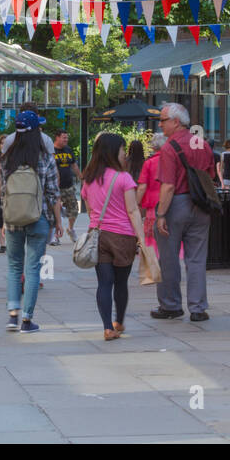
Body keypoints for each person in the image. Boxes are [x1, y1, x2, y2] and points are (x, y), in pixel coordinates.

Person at [151, 102, 216, 322]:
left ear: (176, 122)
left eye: (163, 120)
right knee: (197, 259)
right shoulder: (202, 143)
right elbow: (210, 176)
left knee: (168, 258)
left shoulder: (169, 147)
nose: (160, 125)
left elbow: (168, 186)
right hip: (201, 205)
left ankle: (170, 306)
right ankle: (198, 308)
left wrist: (160, 215)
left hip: (175, 205)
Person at [80, 133, 147, 341]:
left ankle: (107, 327)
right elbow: (133, 210)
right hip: (122, 236)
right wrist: (141, 238)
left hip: (98, 235)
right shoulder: (123, 178)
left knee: (104, 283)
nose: (124, 155)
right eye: (121, 150)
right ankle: (119, 321)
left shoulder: (88, 179)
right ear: (112, 152)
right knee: (121, 283)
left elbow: (90, 209)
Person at [1, 110, 61, 333]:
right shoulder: (45, 157)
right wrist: (58, 221)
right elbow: (54, 192)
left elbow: (3, 190)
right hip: (39, 217)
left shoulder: (7, 158)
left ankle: (12, 316)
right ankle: (27, 320)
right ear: (37, 130)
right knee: (33, 268)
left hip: (13, 219)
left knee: (14, 266)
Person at [136, 132, 165, 254]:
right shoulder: (171, 160)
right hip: (169, 202)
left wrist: (136, 202)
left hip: (152, 203)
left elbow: (142, 186)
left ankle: (152, 261)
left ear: (153, 146)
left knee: (151, 235)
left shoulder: (149, 163)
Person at [53, 130, 81, 243]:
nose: (66, 140)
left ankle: (71, 229)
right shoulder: (51, 151)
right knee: (55, 211)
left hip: (69, 185)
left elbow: (74, 165)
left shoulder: (68, 150)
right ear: (57, 138)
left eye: (66, 138)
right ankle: (55, 234)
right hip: (55, 187)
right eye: (64, 138)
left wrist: (81, 177)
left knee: (74, 209)